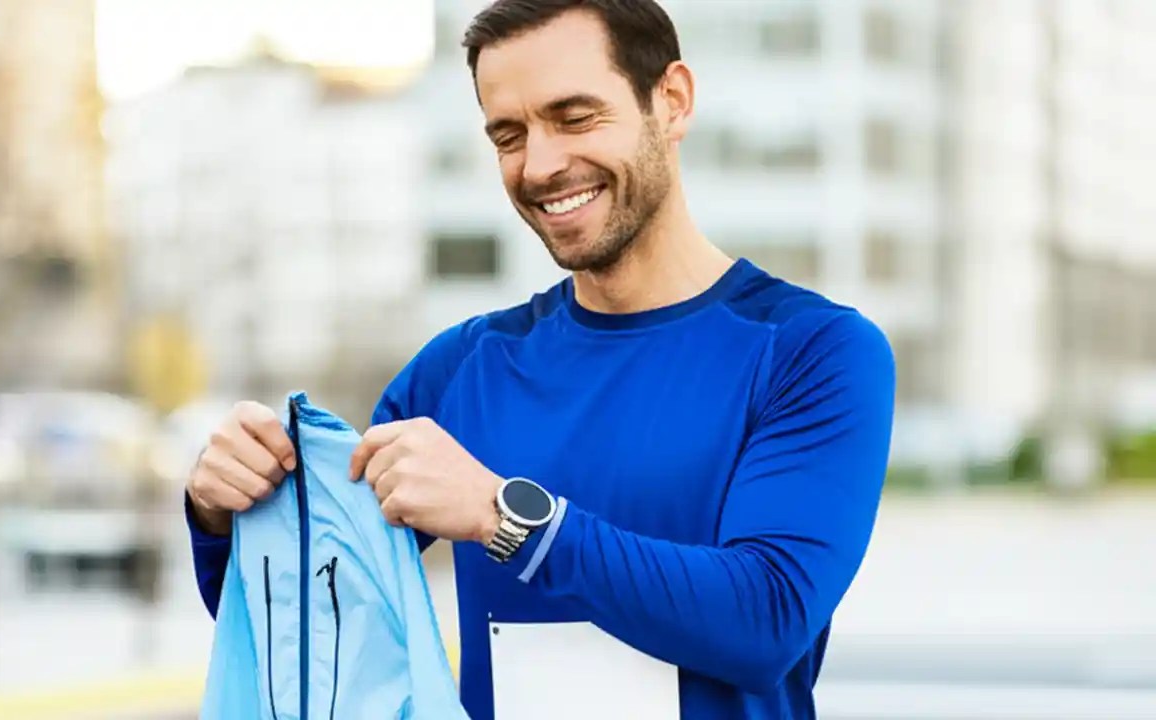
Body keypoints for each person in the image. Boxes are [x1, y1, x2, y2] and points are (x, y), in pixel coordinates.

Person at [184, 1, 896, 718]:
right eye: (509, 135)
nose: (542, 165)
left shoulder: (811, 351)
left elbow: (766, 619)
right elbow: (320, 618)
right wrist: (225, 510)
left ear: (671, 101)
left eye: (576, 117)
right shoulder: (461, 370)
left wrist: (506, 518)